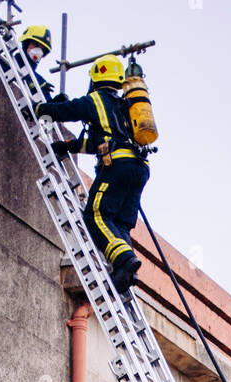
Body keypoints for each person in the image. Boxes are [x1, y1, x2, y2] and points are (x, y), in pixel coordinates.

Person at [36, 56, 149, 294]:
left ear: (96, 77)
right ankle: (127, 273)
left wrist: (41, 109)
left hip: (118, 167)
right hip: (138, 168)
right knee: (118, 223)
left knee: (95, 215)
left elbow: (69, 110)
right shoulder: (124, 107)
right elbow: (102, 142)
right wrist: (69, 146)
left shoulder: (96, 100)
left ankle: (124, 261)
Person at [20, 24, 55, 99]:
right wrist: (35, 85)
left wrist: (56, 102)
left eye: (42, 49)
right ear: (26, 44)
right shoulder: (8, 60)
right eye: (36, 45)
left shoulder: (40, 81)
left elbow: (45, 107)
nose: (38, 51)